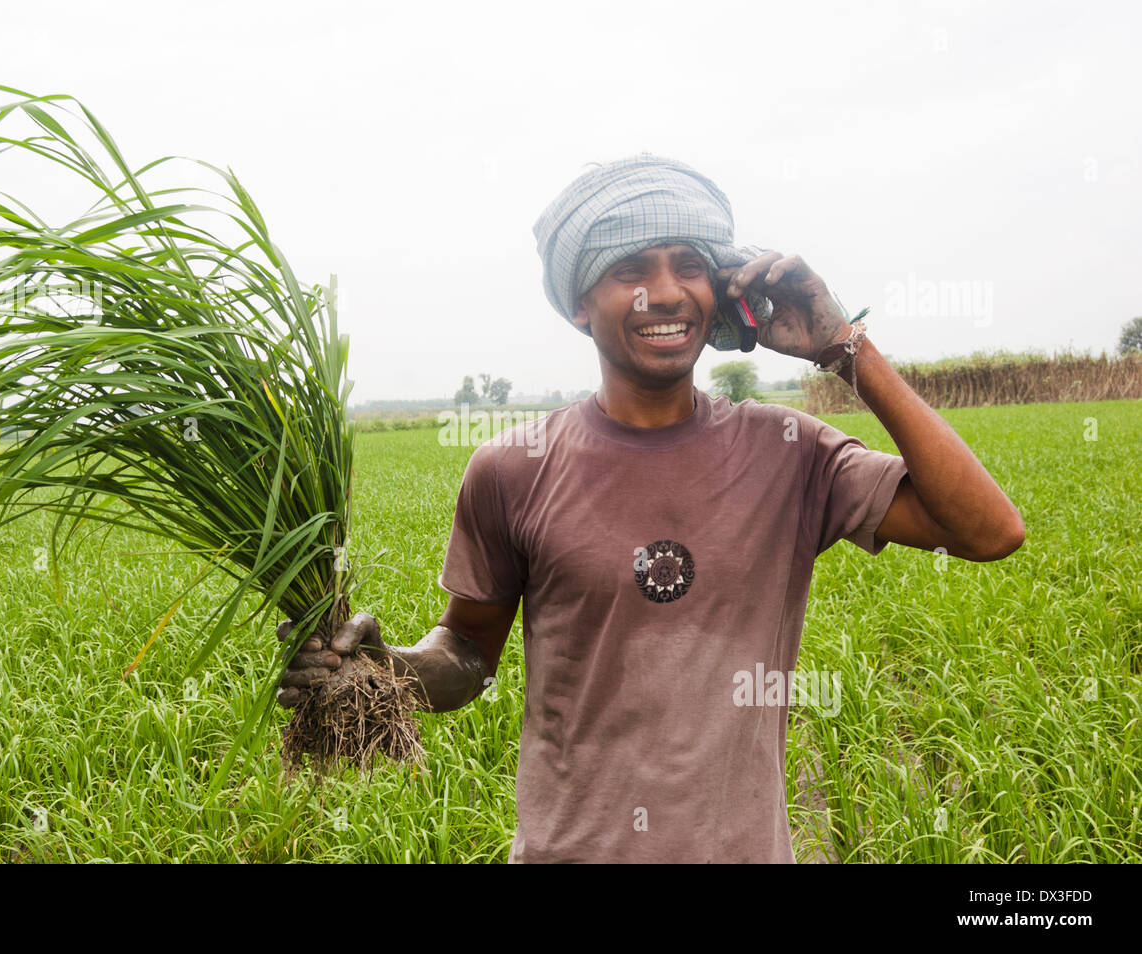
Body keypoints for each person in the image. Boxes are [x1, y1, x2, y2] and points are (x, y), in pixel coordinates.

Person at [275, 154, 1024, 863]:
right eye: (630, 270)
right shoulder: (511, 469)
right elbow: (469, 656)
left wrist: (844, 347)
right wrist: (388, 671)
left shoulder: (790, 450)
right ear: (578, 304)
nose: (664, 291)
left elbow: (989, 531)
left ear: (719, 294)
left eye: (690, 266)